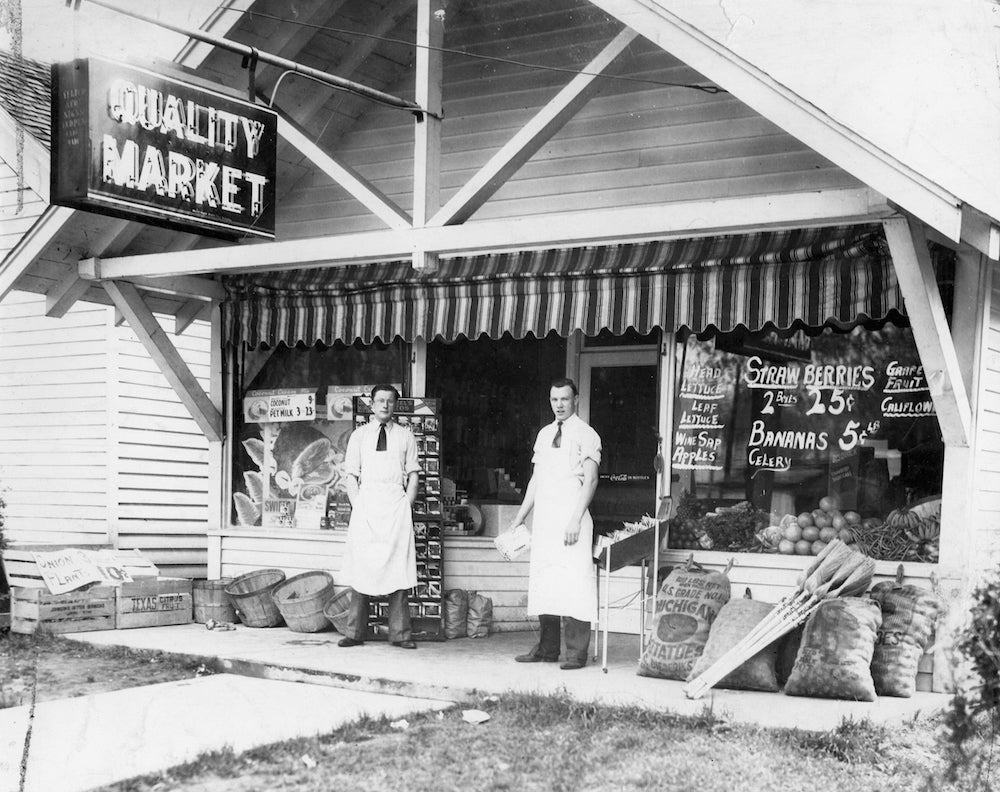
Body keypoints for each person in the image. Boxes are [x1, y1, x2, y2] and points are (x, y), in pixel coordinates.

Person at [508, 377, 601, 670]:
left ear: (576, 400)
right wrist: (520, 516)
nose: (559, 405)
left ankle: (576, 653)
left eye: (564, 399)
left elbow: (592, 479)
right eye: (554, 400)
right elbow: (537, 479)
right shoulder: (544, 434)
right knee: (546, 579)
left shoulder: (587, 434)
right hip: (546, 520)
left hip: (572, 519)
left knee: (575, 581)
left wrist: (575, 518)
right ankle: (548, 648)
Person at [338, 384, 421, 649]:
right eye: (380, 401)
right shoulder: (359, 436)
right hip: (366, 507)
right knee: (363, 566)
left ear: (395, 406)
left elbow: (414, 474)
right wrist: (357, 504)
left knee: (398, 569)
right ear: (371, 405)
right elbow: (350, 475)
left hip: (395, 506)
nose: (384, 405)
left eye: (389, 401)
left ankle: (400, 634)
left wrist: (406, 504)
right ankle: (354, 632)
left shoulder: (406, 436)